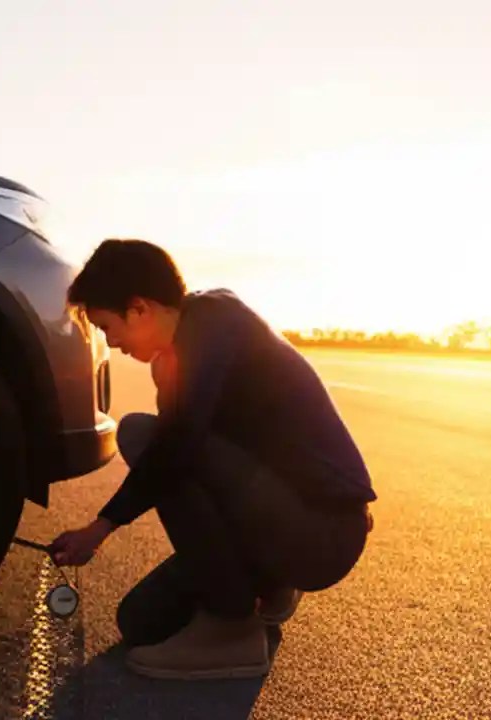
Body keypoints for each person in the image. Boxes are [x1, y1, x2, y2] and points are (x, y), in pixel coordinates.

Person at [48, 238, 376, 680]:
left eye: (109, 326)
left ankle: (232, 629)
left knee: (143, 434)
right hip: (283, 517)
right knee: (140, 622)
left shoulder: (214, 323)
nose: (114, 342)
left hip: (321, 531)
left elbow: (177, 449)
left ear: (139, 308)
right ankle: (269, 587)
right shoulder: (177, 356)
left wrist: (101, 527)